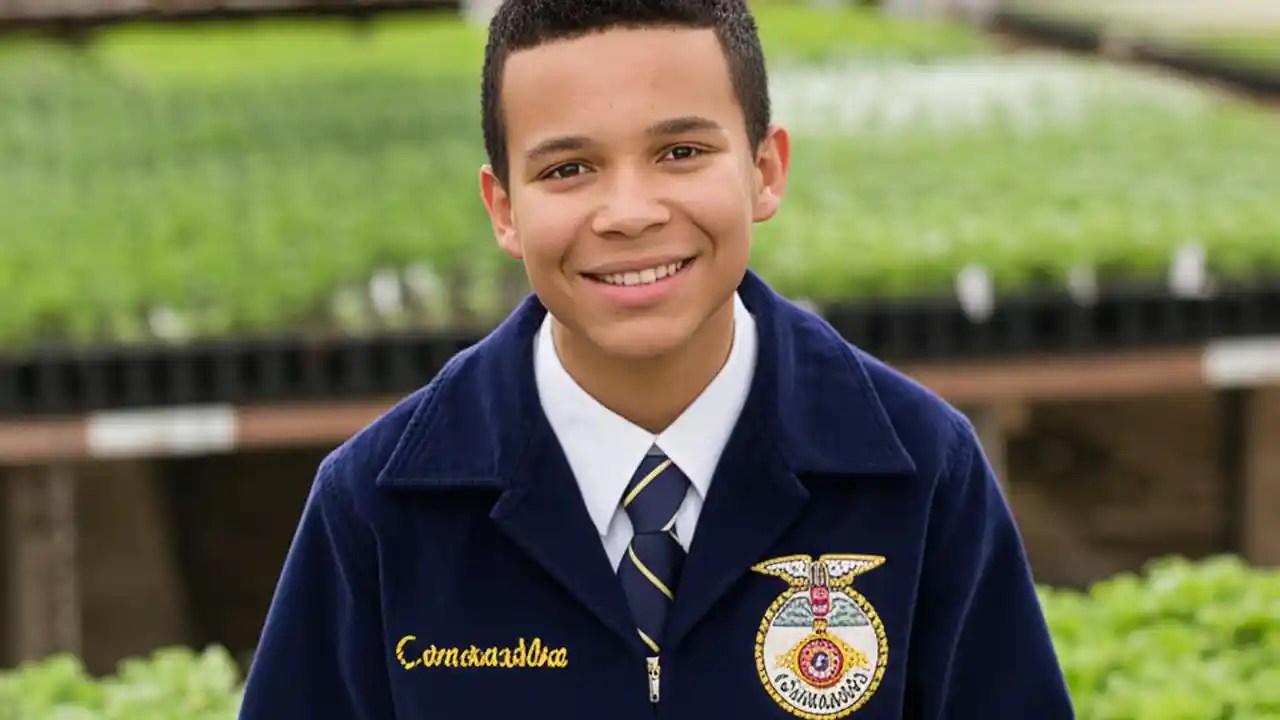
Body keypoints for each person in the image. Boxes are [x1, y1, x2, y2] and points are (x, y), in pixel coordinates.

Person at [239, 1, 1075, 717]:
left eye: (681, 153)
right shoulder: (380, 503)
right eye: (569, 169)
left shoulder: (920, 472)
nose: (629, 212)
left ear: (765, 171)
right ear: (503, 208)